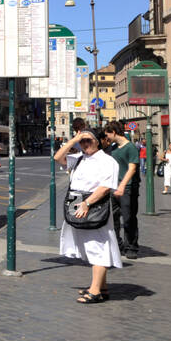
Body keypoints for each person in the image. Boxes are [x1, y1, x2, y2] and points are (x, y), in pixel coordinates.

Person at [56, 129, 121, 302]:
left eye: (88, 140)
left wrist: (88, 203)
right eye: (82, 141)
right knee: (89, 245)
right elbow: (58, 158)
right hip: (78, 202)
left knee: (97, 245)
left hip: (94, 205)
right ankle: (102, 287)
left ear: (98, 141)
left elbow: (106, 187)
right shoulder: (78, 158)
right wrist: (73, 140)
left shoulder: (108, 161)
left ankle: (95, 291)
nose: (85, 144)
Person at [102, 121, 141, 257]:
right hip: (113, 188)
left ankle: (131, 247)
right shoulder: (113, 148)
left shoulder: (130, 147)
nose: (107, 138)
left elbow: (132, 169)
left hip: (128, 188)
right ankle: (117, 245)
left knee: (129, 218)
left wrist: (123, 185)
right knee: (113, 219)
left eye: (108, 135)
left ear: (113, 132)